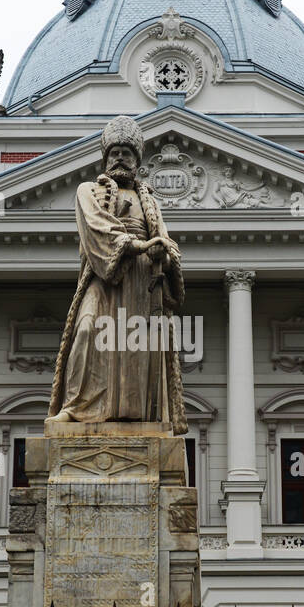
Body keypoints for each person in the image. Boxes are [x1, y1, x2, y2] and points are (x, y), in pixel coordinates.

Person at [48, 116, 187, 433]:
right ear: (105, 158)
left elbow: (164, 237)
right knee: (86, 331)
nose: (120, 158)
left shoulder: (149, 199)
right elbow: (98, 229)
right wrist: (136, 245)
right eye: (115, 153)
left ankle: (136, 415)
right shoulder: (88, 191)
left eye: (127, 152)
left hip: (142, 281)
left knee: (137, 347)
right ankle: (75, 407)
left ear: (137, 161)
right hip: (105, 273)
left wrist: (163, 252)